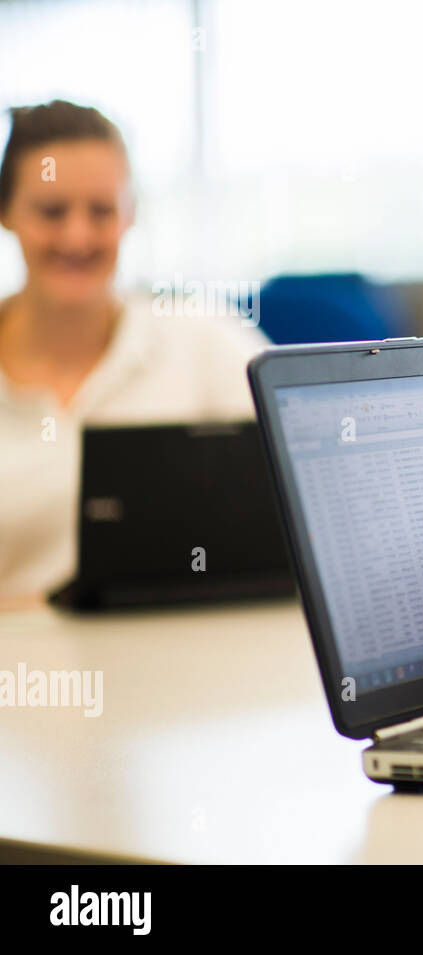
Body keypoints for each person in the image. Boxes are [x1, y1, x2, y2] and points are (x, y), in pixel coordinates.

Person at [0, 101, 266, 602]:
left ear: (131, 214)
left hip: (177, 652)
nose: (77, 236)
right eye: (52, 211)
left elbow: (304, 464)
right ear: (7, 211)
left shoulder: (198, 338)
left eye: (101, 211)